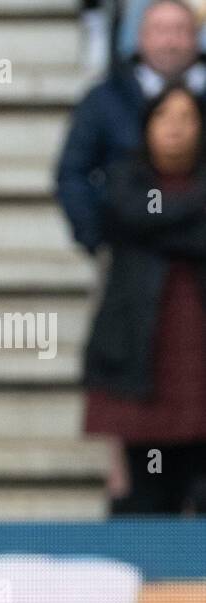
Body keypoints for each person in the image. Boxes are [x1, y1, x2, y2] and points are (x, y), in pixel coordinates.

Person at [83, 84, 206, 513]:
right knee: (145, 498)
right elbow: (135, 214)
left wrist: (155, 231)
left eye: (186, 118)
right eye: (163, 117)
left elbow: (147, 223)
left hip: (196, 358)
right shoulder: (124, 179)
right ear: (146, 125)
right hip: (139, 359)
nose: (175, 128)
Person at [58, 0, 205, 253]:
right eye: (160, 31)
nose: (170, 42)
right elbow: (73, 173)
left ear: (196, 37)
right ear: (140, 37)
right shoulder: (105, 98)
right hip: (129, 254)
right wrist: (95, 238)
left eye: (180, 31)